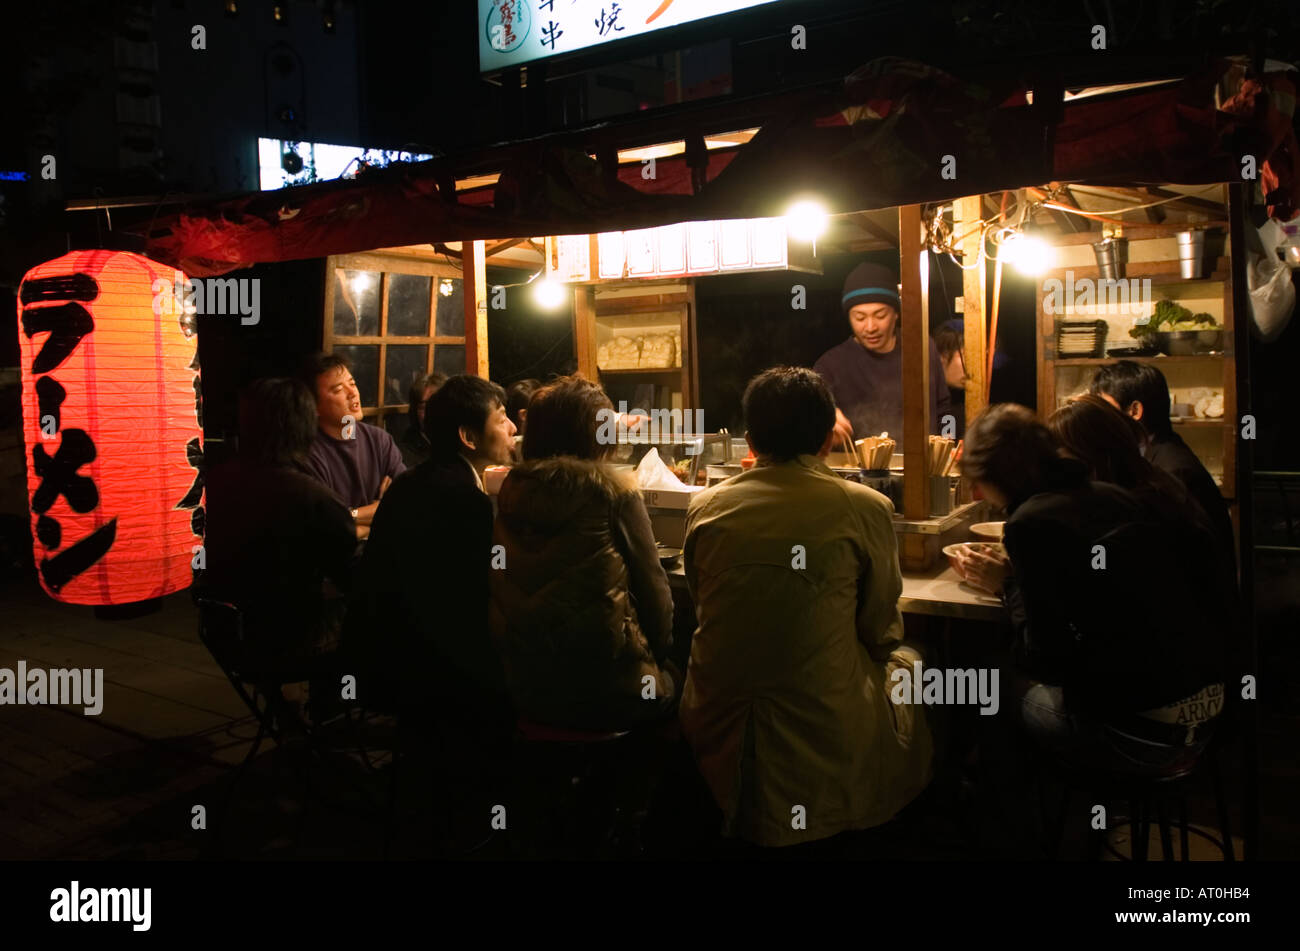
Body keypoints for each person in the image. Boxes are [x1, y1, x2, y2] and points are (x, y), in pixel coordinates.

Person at [680, 366, 933, 848]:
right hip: (825, 724)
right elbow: (881, 630)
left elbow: (701, 603)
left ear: (750, 441)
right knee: (914, 665)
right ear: (826, 439)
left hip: (715, 718)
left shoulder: (706, 507)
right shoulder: (865, 506)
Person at [955, 404, 1225, 775]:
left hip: (1144, 736)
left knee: (984, 681)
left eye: (977, 480)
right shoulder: (1111, 495)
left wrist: (1007, 583)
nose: (975, 494)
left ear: (999, 474)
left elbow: (1042, 656)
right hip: (1206, 712)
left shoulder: (1030, 521)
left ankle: (1010, 823)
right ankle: (1059, 815)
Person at [489, 375, 677, 730]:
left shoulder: (512, 491)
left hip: (526, 685)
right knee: (679, 676)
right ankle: (638, 782)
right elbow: (658, 604)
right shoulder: (612, 494)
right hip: (607, 689)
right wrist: (660, 653)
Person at [344, 375, 516, 723]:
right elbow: (474, 601)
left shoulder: (411, 481)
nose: (512, 427)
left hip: (380, 652)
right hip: (430, 671)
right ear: (468, 437)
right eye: (500, 418)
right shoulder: (466, 500)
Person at [199, 378, 358, 694]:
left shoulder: (215, 483)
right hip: (295, 642)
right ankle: (342, 707)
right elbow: (352, 577)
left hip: (226, 636)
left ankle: (296, 717)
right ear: (305, 426)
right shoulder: (312, 497)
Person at [1089, 361, 1235, 568]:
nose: (1096, 418)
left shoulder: (1174, 470)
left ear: (1134, 410)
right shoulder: (1148, 454)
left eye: (1102, 407)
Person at [813, 262, 950, 447]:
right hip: (856, 473)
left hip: (923, 467)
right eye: (860, 317)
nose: (870, 327)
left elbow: (943, 407)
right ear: (849, 318)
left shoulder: (921, 348)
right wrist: (826, 421)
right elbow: (809, 424)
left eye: (880, 315)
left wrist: (947, 445)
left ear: (896, 314)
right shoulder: (830, 365)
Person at [299, 352, 405, 539]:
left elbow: (407, 503)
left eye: (353, 383)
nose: (352, 393)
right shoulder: (308, 454)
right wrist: (377, 512)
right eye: (339, 389)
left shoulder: (379, 440)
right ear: (314, 406)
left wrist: (350, 515)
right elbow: (324, 528)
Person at [397, 371, 447, 468]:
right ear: (414, 411)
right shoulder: (405, 451)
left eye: (438, 406)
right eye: (424, 407)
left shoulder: (456, 442)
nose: (432, 412)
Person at [933, 319, 967, 437]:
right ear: (942, 356)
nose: (972, 366)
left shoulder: (964, 403)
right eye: (964, 356)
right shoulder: (934, 407)